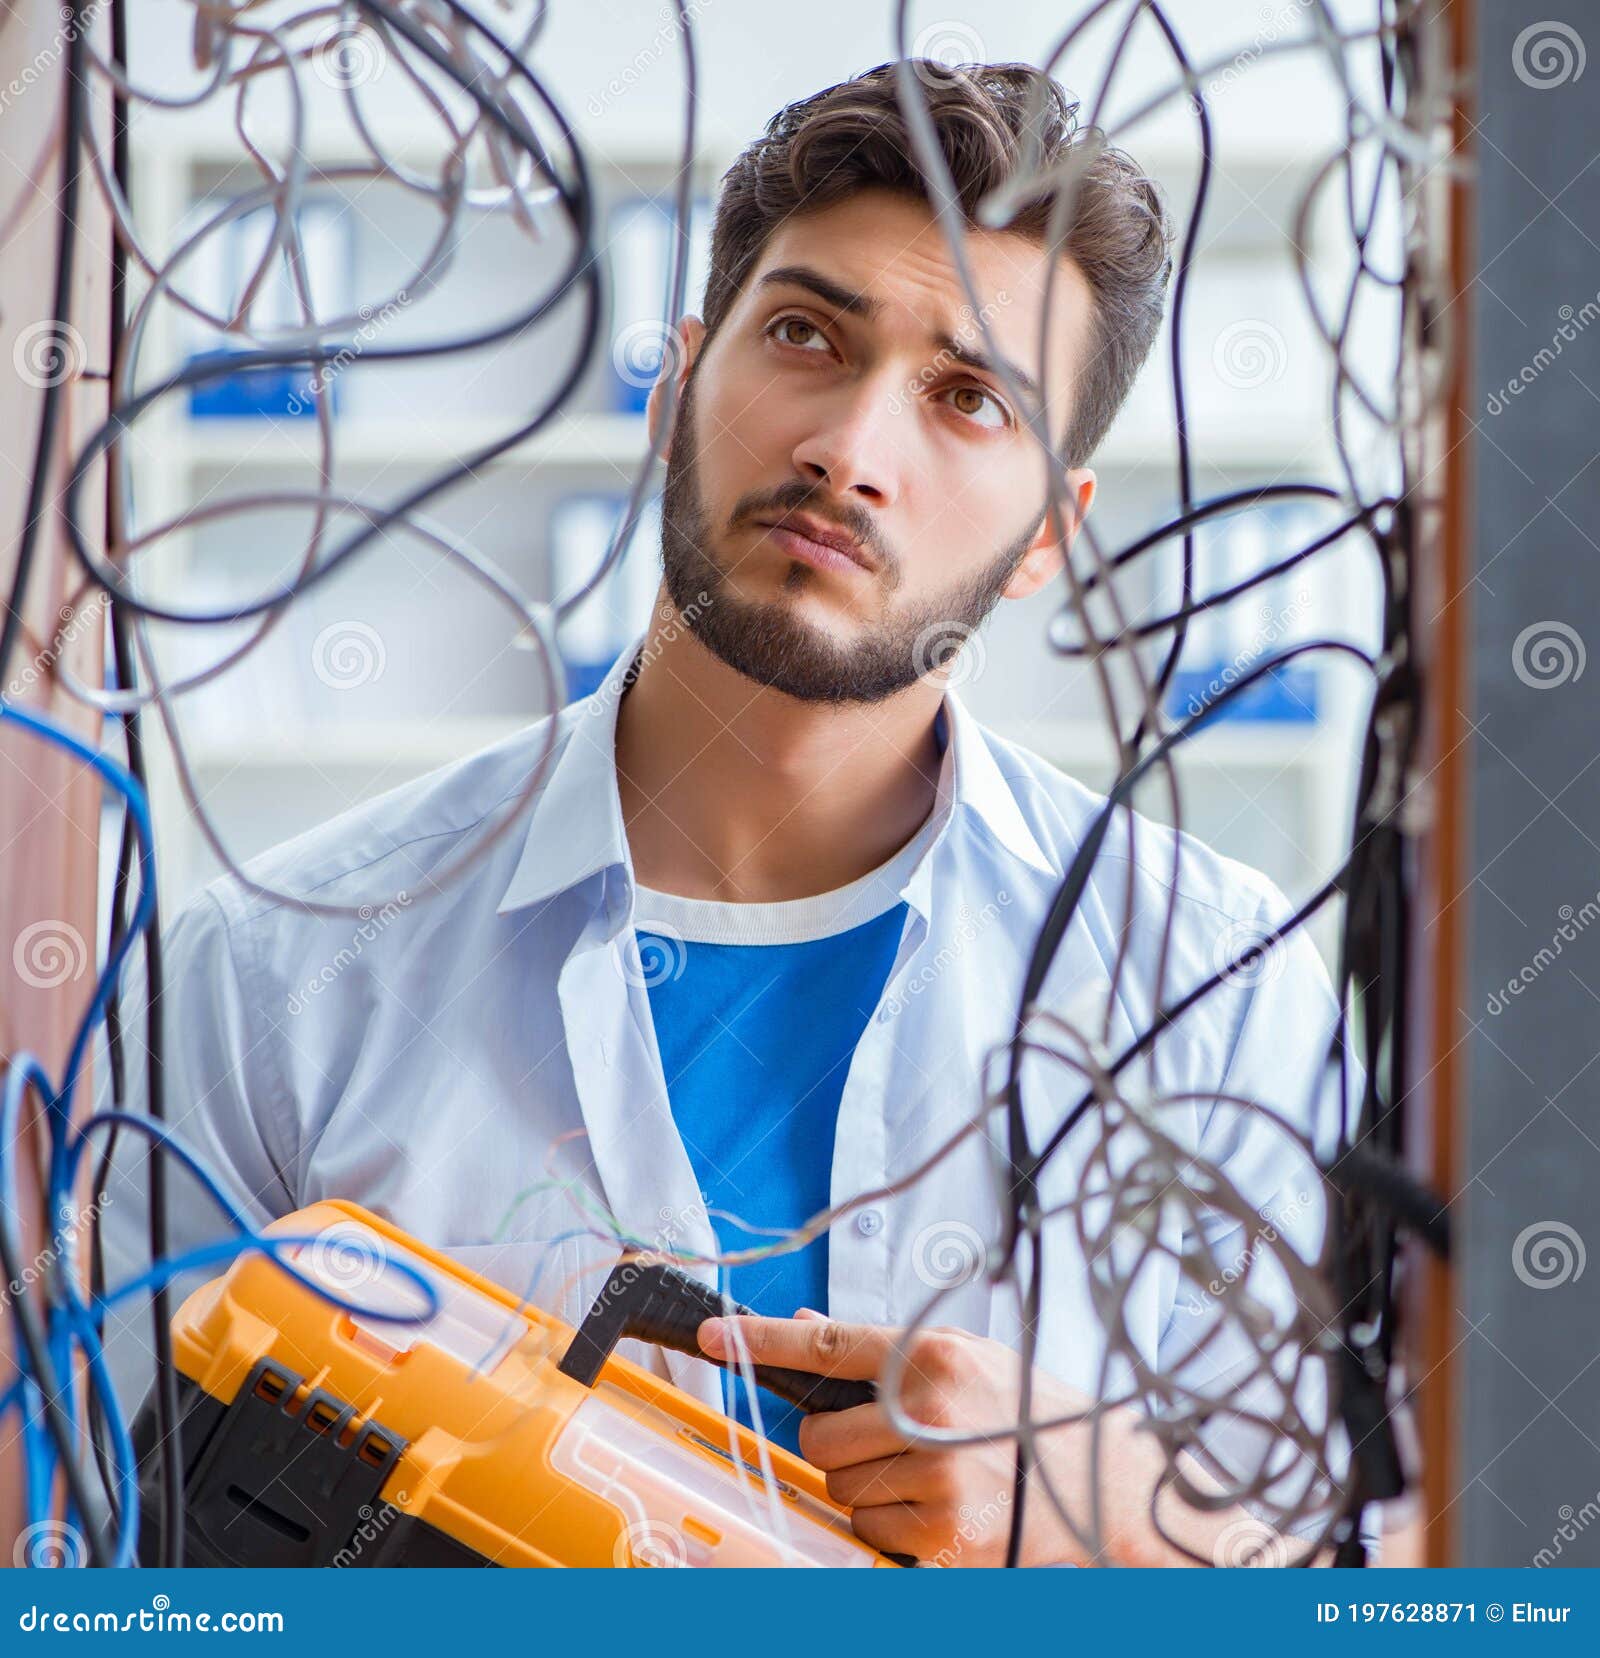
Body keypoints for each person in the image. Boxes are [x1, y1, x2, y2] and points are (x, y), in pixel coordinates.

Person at [111, 61, 1349, 1566]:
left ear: (1049, 537)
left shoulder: (1213, 993)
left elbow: (1355, 1568)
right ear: (678, 382)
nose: (852, 450)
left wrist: (1112, 1522)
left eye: (969, 398)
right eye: (805, 336)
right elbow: (108, 1567)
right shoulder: (271, 979)